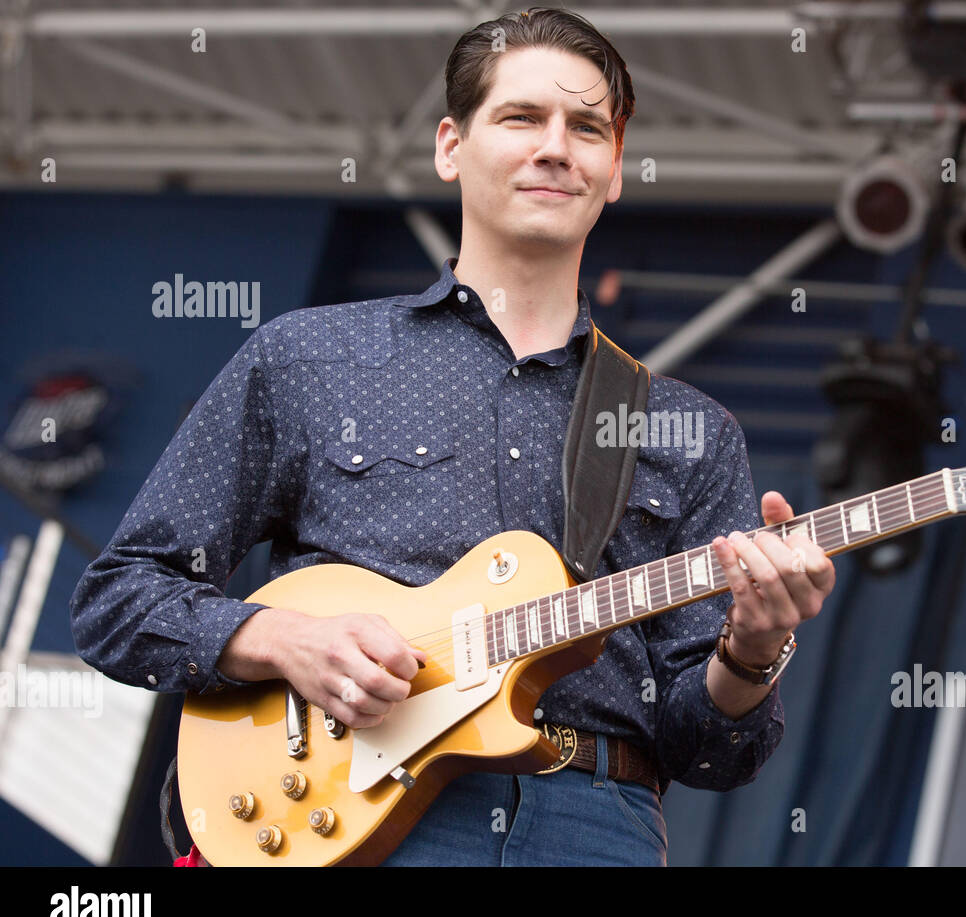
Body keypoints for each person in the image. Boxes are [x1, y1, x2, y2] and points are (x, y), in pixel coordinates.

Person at [70, 7, 835, 866]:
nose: (556, 146)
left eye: (588, 128)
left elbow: (711, 752)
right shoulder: (310, 356)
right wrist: (278, 639)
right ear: (450, 147)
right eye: (521, 118)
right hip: (354, 812)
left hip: (597, 824)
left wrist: (756, 645)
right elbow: (118, 603)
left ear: (615, 170)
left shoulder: (692, 431)